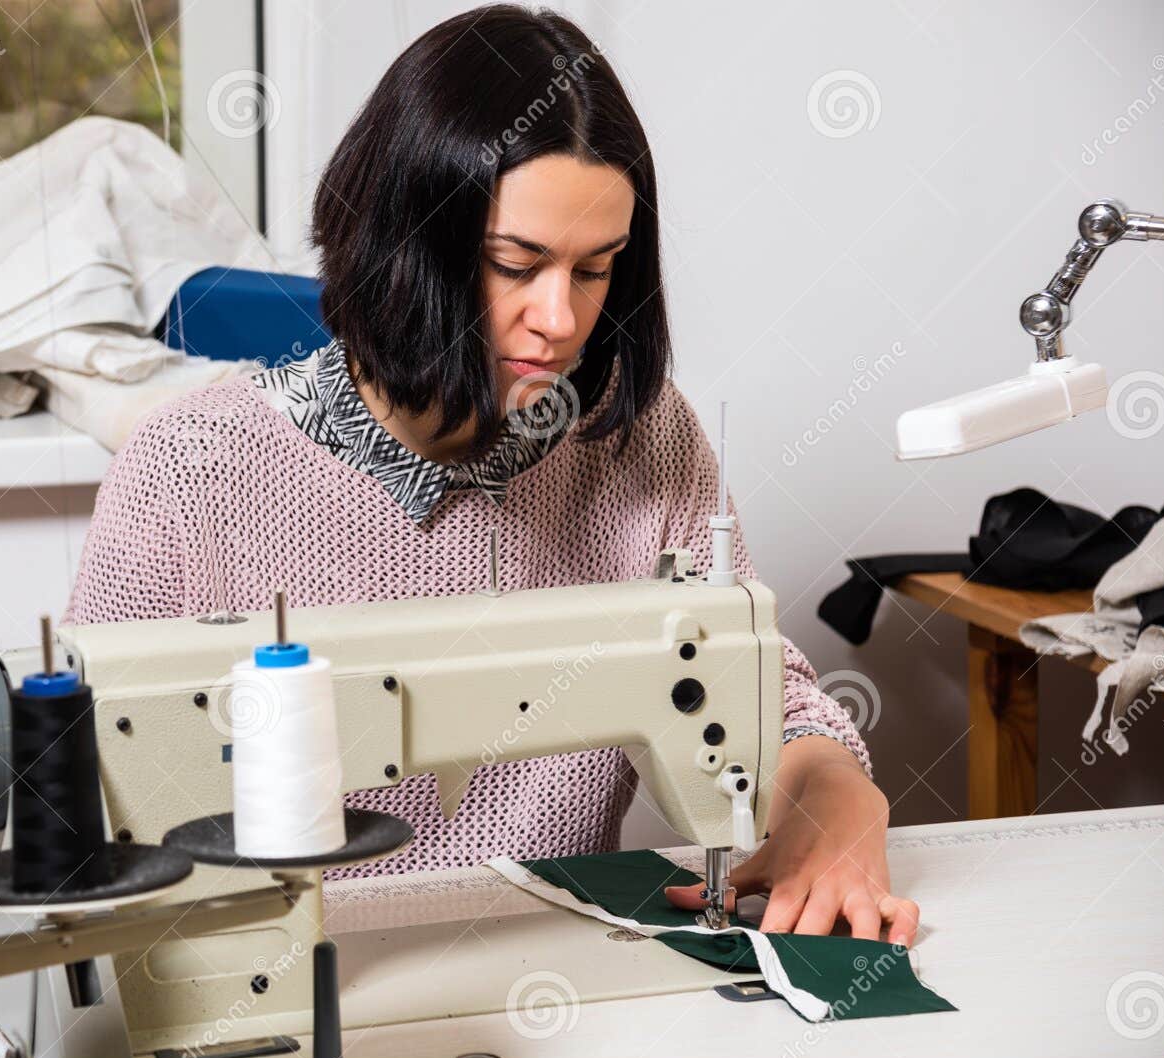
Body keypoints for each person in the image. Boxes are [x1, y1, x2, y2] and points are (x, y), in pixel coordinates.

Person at [66, 4, 919, 946]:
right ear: (404, 244)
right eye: (516, 264)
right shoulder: (188, 471)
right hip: (290, 981)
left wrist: (834, 796)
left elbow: (758, 697)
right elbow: (90, 782)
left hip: (557, 963)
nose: (560, 318)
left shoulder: (640, 440)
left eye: (597, 270)